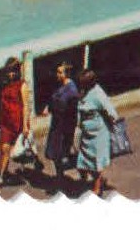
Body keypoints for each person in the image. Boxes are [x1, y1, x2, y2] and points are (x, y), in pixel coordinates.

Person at [74, 67, 120, 197]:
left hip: (99, 133)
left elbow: (111, 111)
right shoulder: (83, 92)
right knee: (83, 162)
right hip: (86, 132)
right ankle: (98, 181)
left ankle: (97, 188)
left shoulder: (98, 93)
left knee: (96, 162)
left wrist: (112, 121)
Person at [0, 56, 32, 189]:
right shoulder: (5, 85)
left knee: (16, 150)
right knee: (4, 149)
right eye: (9, 71)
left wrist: (26, 125)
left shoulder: (22, 85)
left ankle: (17, 171)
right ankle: (1, 176)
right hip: (5, 121)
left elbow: (26, 105)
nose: (11, 74)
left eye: (13, 71)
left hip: (17, 121)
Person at [41, 63, 81, 187]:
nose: (57, 75)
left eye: (60, 72)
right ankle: (60, 177)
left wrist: (52, 108)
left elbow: (68, 108)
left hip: (65, 126)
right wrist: (49, 107)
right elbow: (55, 100)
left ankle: (78, 173)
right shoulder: (61, 86)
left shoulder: (72, 90)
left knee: (63, 152)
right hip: (57, 124)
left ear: (66, 74)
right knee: (55, 152)